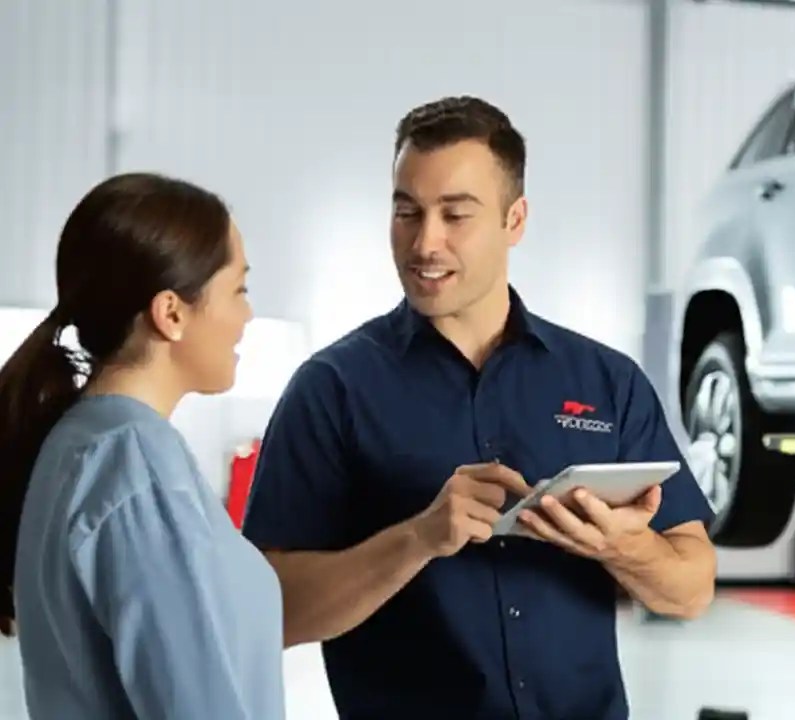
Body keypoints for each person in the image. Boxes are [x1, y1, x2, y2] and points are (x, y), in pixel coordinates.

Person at [241, 96, 717, 719]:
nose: (424, 242)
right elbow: (267, 612)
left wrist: (620, 547)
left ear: (514, 220)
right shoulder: (332, 389)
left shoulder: (608, 382)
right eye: (406, 212)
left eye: (455, 215)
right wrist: (417, 539)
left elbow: (691, 589)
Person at [0, 173, 285, 719]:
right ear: (171, 313)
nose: (247, 316)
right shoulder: (136, 465)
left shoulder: (81, 442)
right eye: (239, 290)